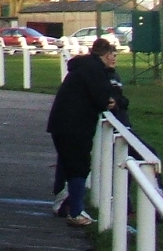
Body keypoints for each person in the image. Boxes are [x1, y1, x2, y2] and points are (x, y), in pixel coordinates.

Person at [46, 37, 120, 226]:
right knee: (79, 166)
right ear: (106, 54)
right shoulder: (95, 70)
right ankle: (76, 212)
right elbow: (102, 99)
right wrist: (110, 102)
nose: (115, 59)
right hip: (76, 126)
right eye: (113, 55)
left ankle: (64, 203)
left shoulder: (81, 66)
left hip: (60, 123)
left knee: (68, 162)